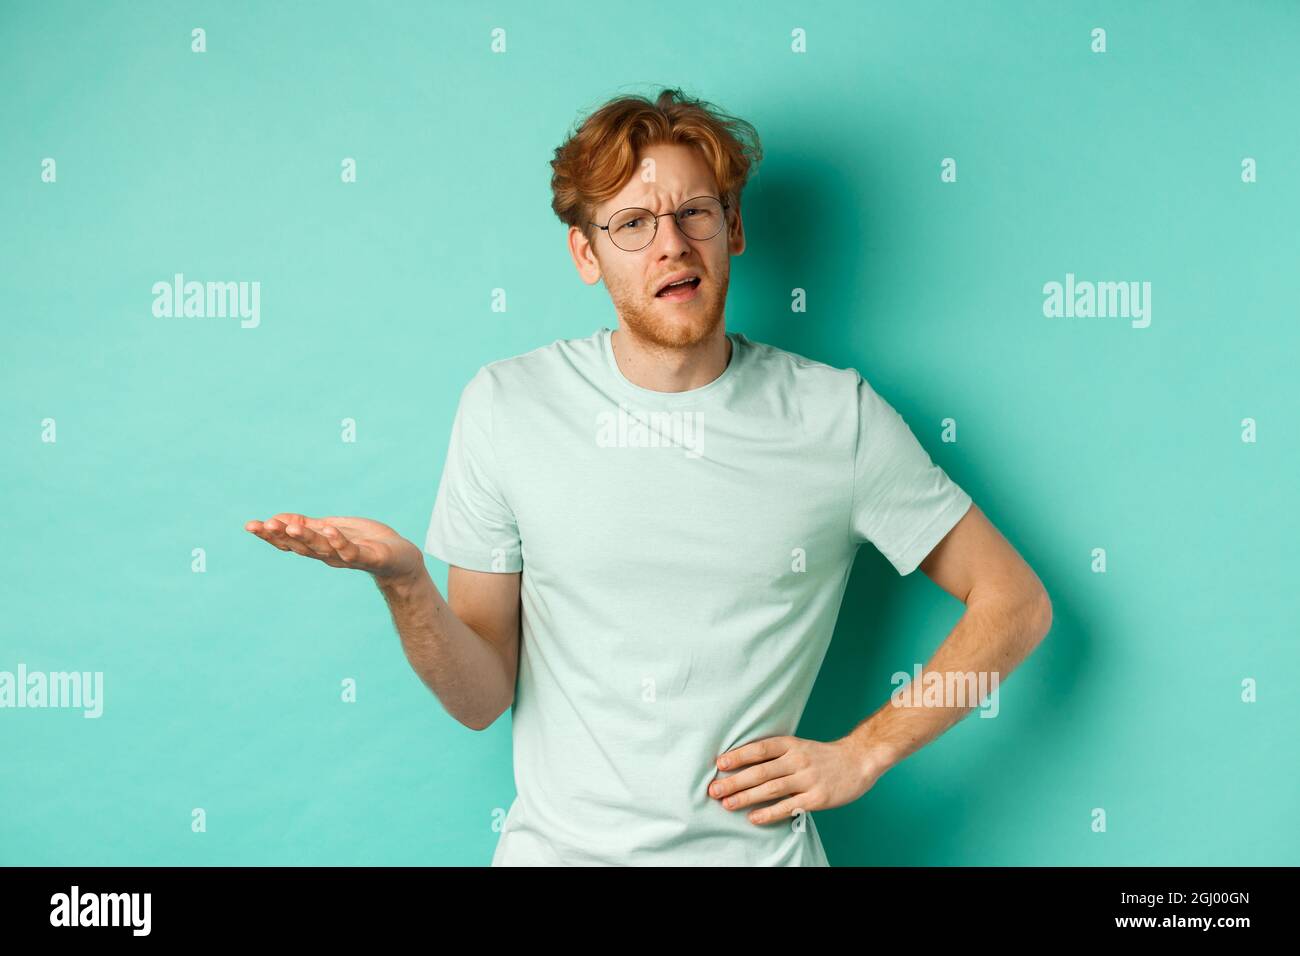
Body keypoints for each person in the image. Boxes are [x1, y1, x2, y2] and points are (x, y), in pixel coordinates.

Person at [245, 88, 1052, 866]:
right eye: (632, 223)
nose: (671, 245)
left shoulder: (837, 418)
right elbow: (480, 698)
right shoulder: (507, 406)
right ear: (586, 253)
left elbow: (1015, 602)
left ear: (733, 227)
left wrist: (865, 753)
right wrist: (405, 584)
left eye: (694, 212)